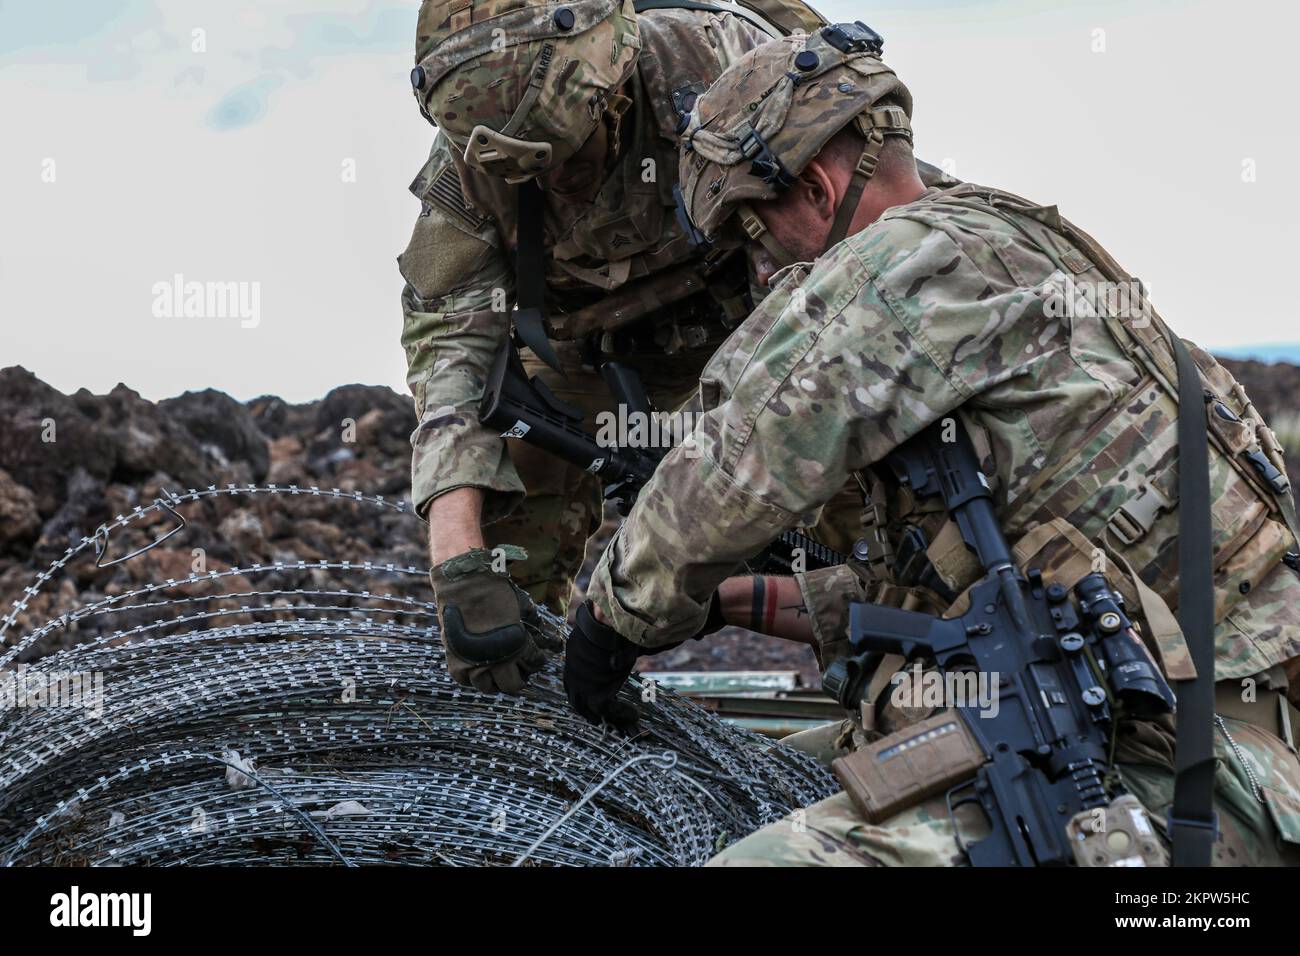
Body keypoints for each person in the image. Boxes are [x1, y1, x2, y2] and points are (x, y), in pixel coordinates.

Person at [572, 25, 1300, 865]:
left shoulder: (895, 272)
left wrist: (609, 626)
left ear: (814, 188)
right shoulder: (1013, 240)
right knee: (749, 778)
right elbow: (964, 596)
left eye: (753, 233)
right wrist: (736, 602)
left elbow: (726, 476)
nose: (761, 270)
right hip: (1207, 726)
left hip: (1182, 766)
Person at [401, 0, 828, 694]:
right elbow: (449, 340)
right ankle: (516, 714)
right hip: (591, 348)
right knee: (506, 513)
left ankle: (897, 702)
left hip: (774, 327)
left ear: (616, 92)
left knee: (857, 499)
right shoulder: (471, 158)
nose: (556, 185)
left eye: (569, 159)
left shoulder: (728, 71)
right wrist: (457, 560)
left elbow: (840, 272)